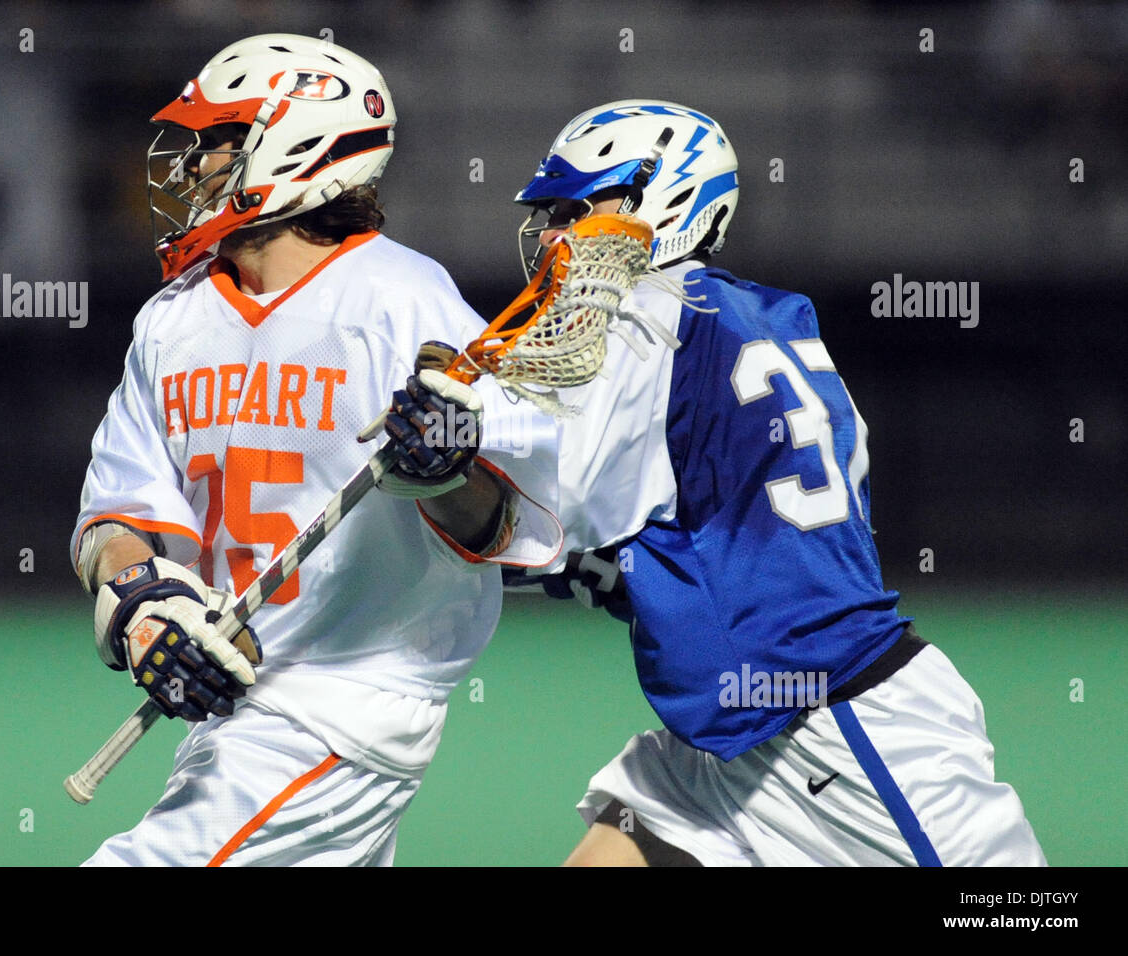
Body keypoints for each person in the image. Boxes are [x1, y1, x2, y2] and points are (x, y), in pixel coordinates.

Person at [508, 100, 1046, 866]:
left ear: (659, 200)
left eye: (574, 207)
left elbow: (540, 512)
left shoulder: (644, 316)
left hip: (842, 728)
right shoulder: (764, 316)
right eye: (549, 213)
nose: (552, 234)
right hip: (744, 734)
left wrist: (446, 457)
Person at [69, 34, 560, 866]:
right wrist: (151, 610)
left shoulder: (401, 300)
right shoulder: (173, 318)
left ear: (295, 147)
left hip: (343, 705)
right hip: (241, 712)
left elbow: (510, 528)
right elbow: (116, 518)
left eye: (217, 142)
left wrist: (442, 470)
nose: (190, 169)